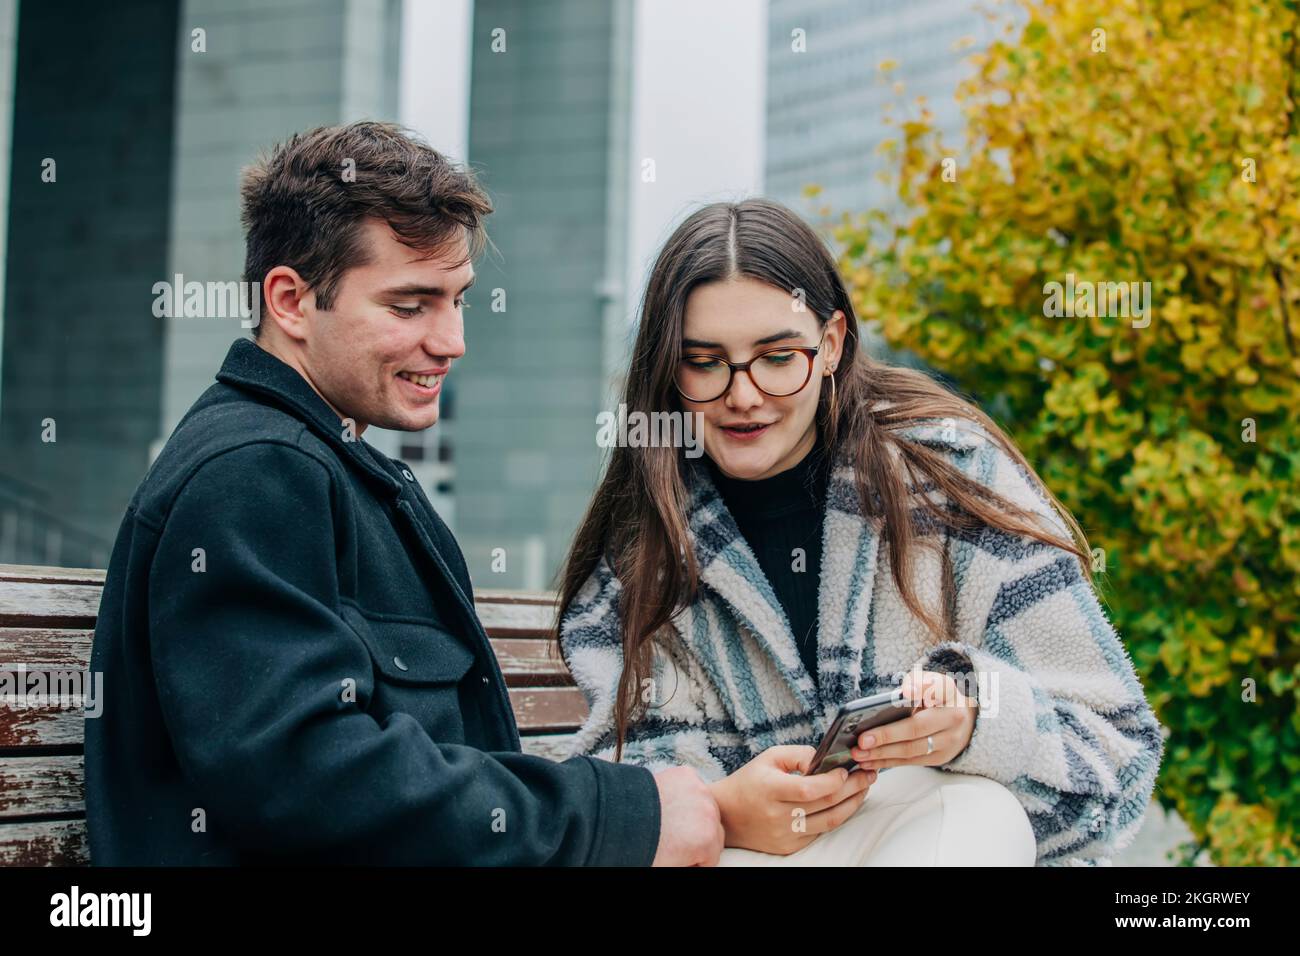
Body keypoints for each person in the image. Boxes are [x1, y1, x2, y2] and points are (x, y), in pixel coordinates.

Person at [84, 121, 723, 866]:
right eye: (410, 305)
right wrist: (615, 818)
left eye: (458, 300)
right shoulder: (253, 473)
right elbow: (308, 776)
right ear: (290, 301)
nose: (452, 340)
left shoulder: (324, 463)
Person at [556, 197, 1166, 866]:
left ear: (831, 344)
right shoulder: (640, 551)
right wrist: (724, 809)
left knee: (972, 810)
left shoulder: (953, 478)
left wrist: (974, 725)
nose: (743, 395)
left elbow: (1118, 758)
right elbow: (625, 790)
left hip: (938, 843)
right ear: (669, 370)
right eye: (705, 363)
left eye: (776, 356)